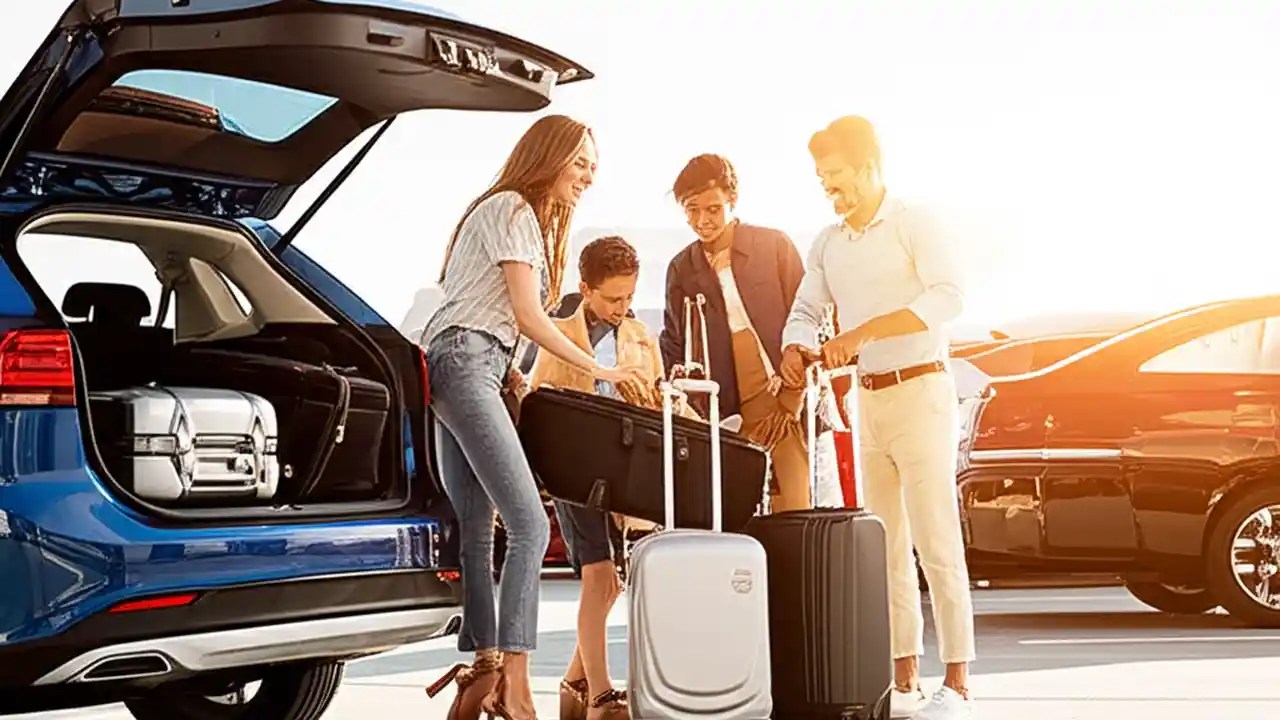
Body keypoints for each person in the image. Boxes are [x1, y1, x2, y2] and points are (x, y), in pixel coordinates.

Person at [420, 115, 647, 720]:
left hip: (463, 364)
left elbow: (493, 316)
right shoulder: (514, 208)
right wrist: (599, 370)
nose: (587, 178)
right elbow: (526, 315)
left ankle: (484, 673)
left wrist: (511, 374)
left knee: (477, 528)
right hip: (467, 361)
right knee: (524, 522)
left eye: (592, 168)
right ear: (548, 157)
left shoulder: (510, 216)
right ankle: (517, 688)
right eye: (579, 164)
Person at [780, 115, 976, 720]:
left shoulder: (915, 221)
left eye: (835, 174)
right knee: (885, 543)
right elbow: (807, 305)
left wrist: (863, 333)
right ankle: (904, 676)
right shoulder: (828, 241)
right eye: (821, 177)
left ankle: (959, 680)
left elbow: (949, 296)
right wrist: (795, 344)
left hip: (922, 393)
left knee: (935, 537)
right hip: (868, 400)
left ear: (868, 165)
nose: (828, 186)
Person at [526, 235, 690, 720]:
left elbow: (657, 402)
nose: (622, 308)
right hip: (574, 473)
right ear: (586, 288)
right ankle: (600, 694)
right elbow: (539, 407)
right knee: (599, 578)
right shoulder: (558, 336)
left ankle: (574, 682)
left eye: (629, 297)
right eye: (613, 298)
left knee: (612, 585)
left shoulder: (642, 337)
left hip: (623, 474)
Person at [658, 154, 812, 512]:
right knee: (735, 513)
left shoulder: (774, 246)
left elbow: (808, 319)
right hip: (721, 412)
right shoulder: (681, 268)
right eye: (691, 210)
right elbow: (674, 346)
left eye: (712, 209)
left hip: (783, 402)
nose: (702, 220)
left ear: (732, 201)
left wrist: (791, 402)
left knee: (795, 508)